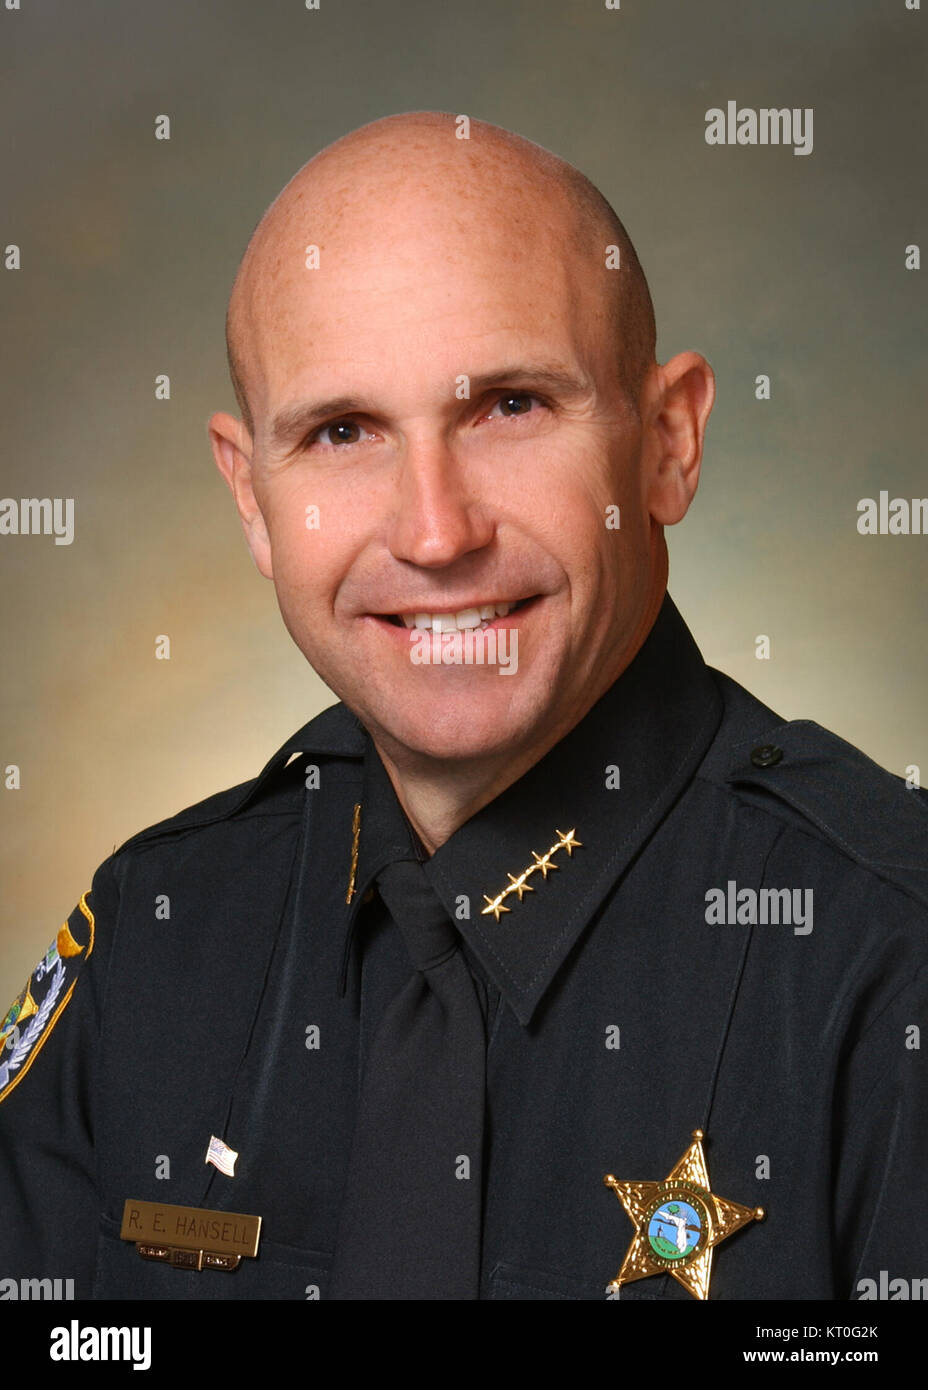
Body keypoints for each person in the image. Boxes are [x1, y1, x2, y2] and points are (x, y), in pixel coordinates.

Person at [1, 111, 925, 1302]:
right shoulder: (157, 928)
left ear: (667, 441)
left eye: (509, 407)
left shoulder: (886, 964)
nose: (435, 532)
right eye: (342, 432)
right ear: (251, 496)